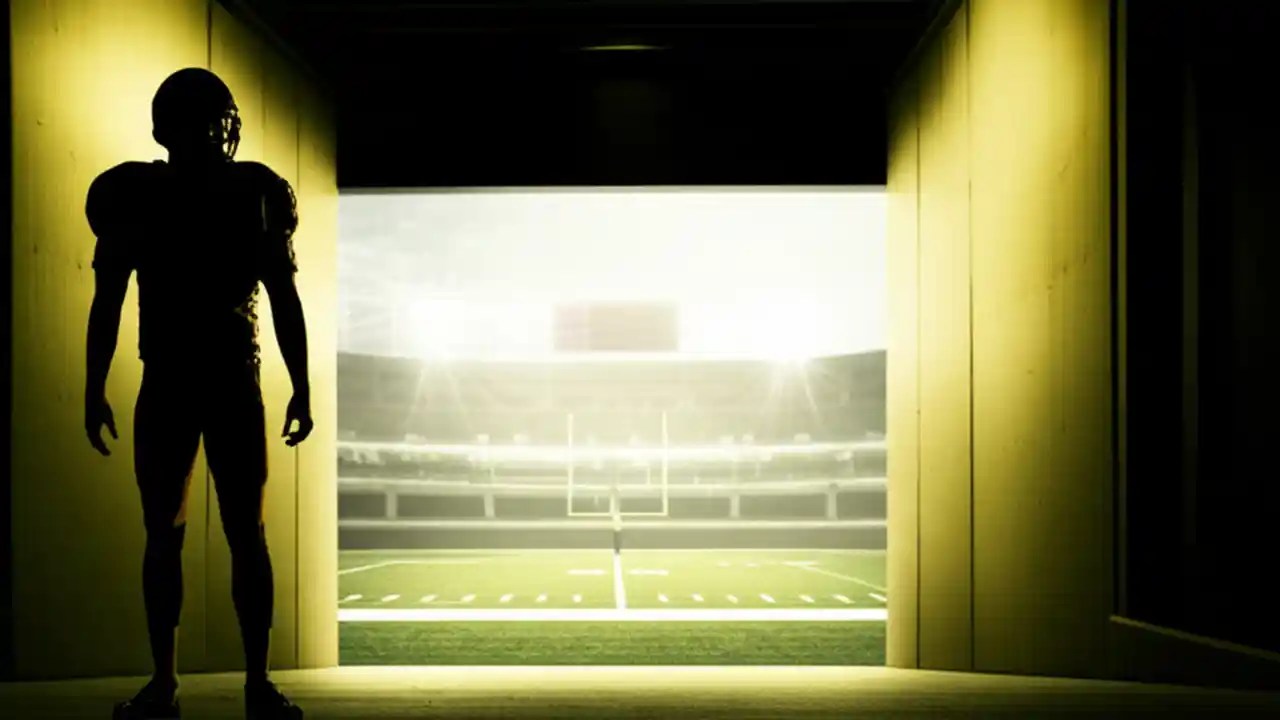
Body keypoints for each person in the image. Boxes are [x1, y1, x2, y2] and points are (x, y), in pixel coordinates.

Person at [83, 67, 311, 720]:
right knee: (234, 535)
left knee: (178, 535)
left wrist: (94, 386)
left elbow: (108, 302)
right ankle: (247, 684)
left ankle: (173, 682)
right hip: (224, 378)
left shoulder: (137, 194)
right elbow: (282, 297)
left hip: (178, 380)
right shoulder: (252, 191)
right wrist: (300, 386)